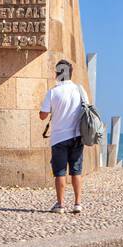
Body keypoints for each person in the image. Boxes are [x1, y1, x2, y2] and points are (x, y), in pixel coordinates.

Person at [38, 58, 89, 213]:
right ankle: (77, 203)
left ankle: (60, 205)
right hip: (78, 136)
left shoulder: (53, 92)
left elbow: (43, 115)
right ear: (70, 73)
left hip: (59, 138)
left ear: (58, 74)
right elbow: (86, 110)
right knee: (76, 170)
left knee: (60, 172)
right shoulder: (80, 90)